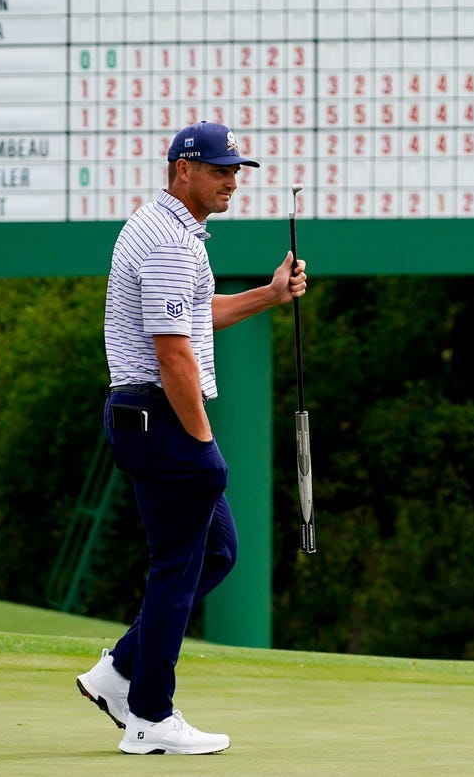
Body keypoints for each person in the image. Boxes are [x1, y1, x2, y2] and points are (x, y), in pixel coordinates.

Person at [76, 120, 308, 756]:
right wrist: (203, 441)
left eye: (236, 170)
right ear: (184, 171)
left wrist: (267, 294)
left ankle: (119, 670)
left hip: (149, 419)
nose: (232, 180)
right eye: (219, 169)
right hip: (159, 418)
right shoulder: (170, 242)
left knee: (215, 553)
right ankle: (150, 716)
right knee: (178, 565)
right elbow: (173, 350)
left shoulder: (172, 232)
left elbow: (195, 315)